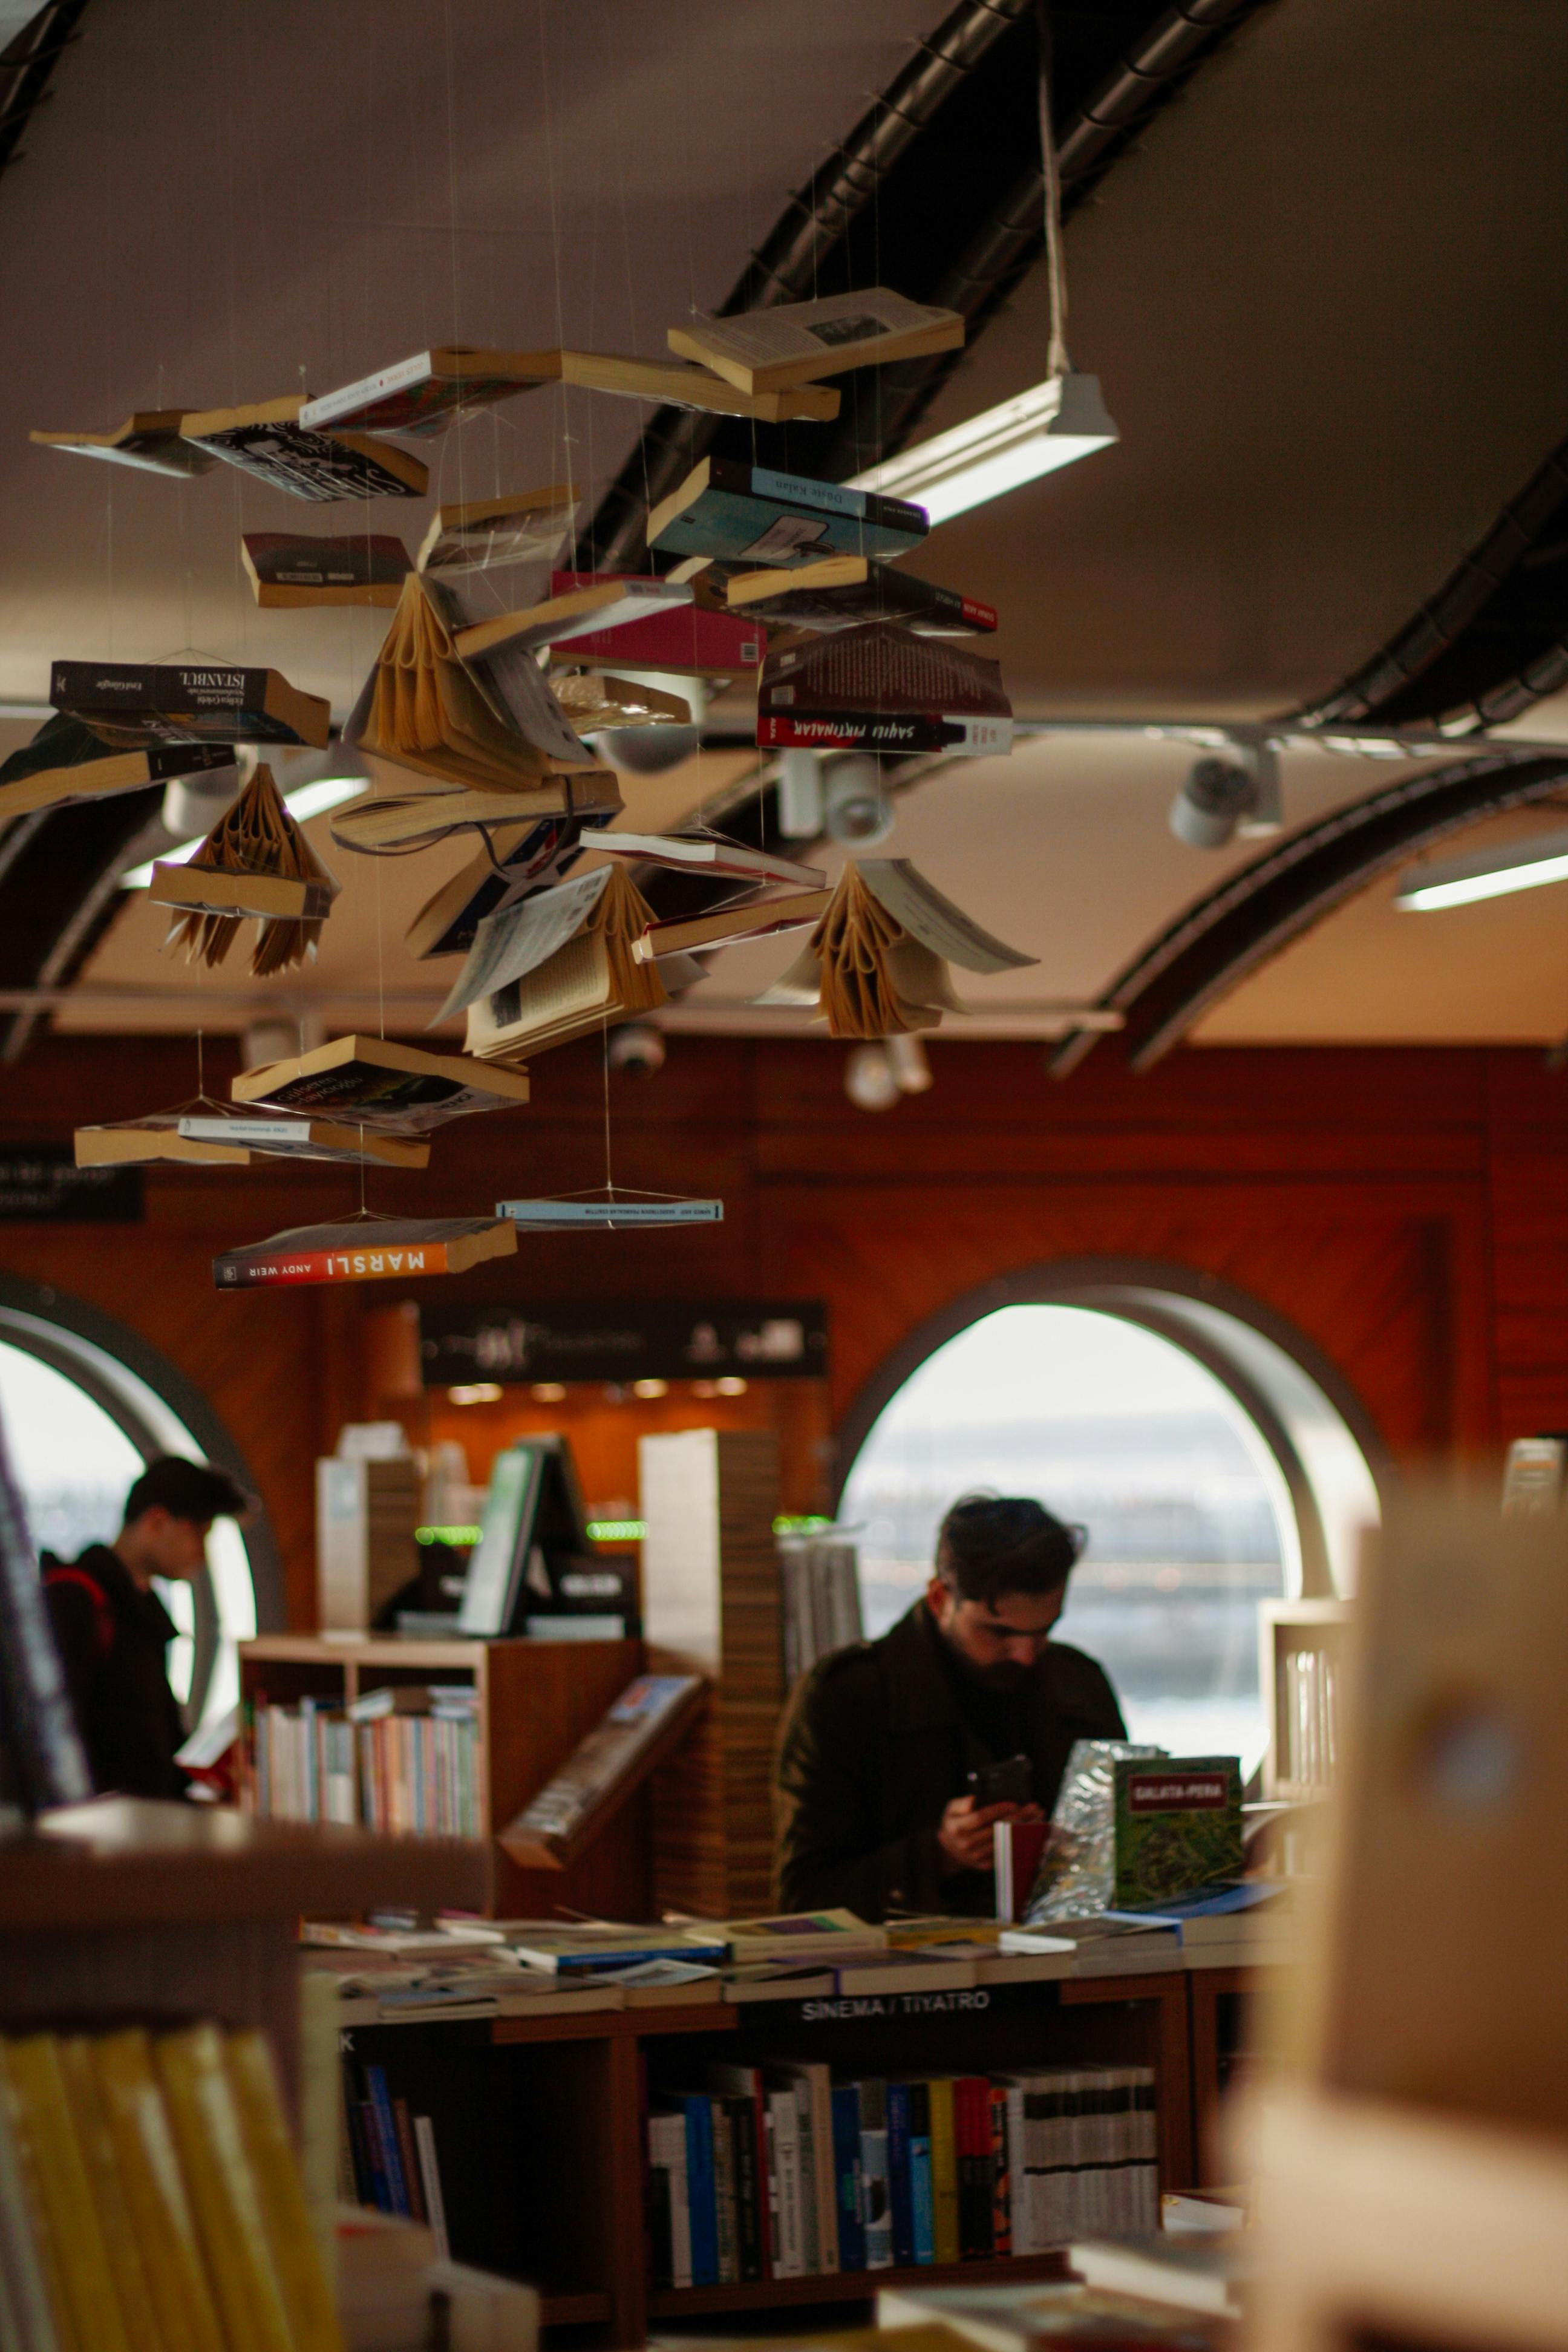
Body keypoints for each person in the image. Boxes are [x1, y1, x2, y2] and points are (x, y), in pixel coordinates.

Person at [773, 1492, 1125, 1920]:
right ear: (940, 1598)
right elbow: (802, 1897)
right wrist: (940, 1855)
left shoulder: (1079, 1684)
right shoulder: (846, 1697)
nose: (1025, 1654)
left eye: (1044, 1631)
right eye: (999, 1633)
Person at [42, 1455, 249, 1799]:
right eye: (198, 1534)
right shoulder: (76, 1601)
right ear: (157, 1522)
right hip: (99, 1824)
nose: (201, 1554)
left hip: (147, 1821)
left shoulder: (144, 1612)